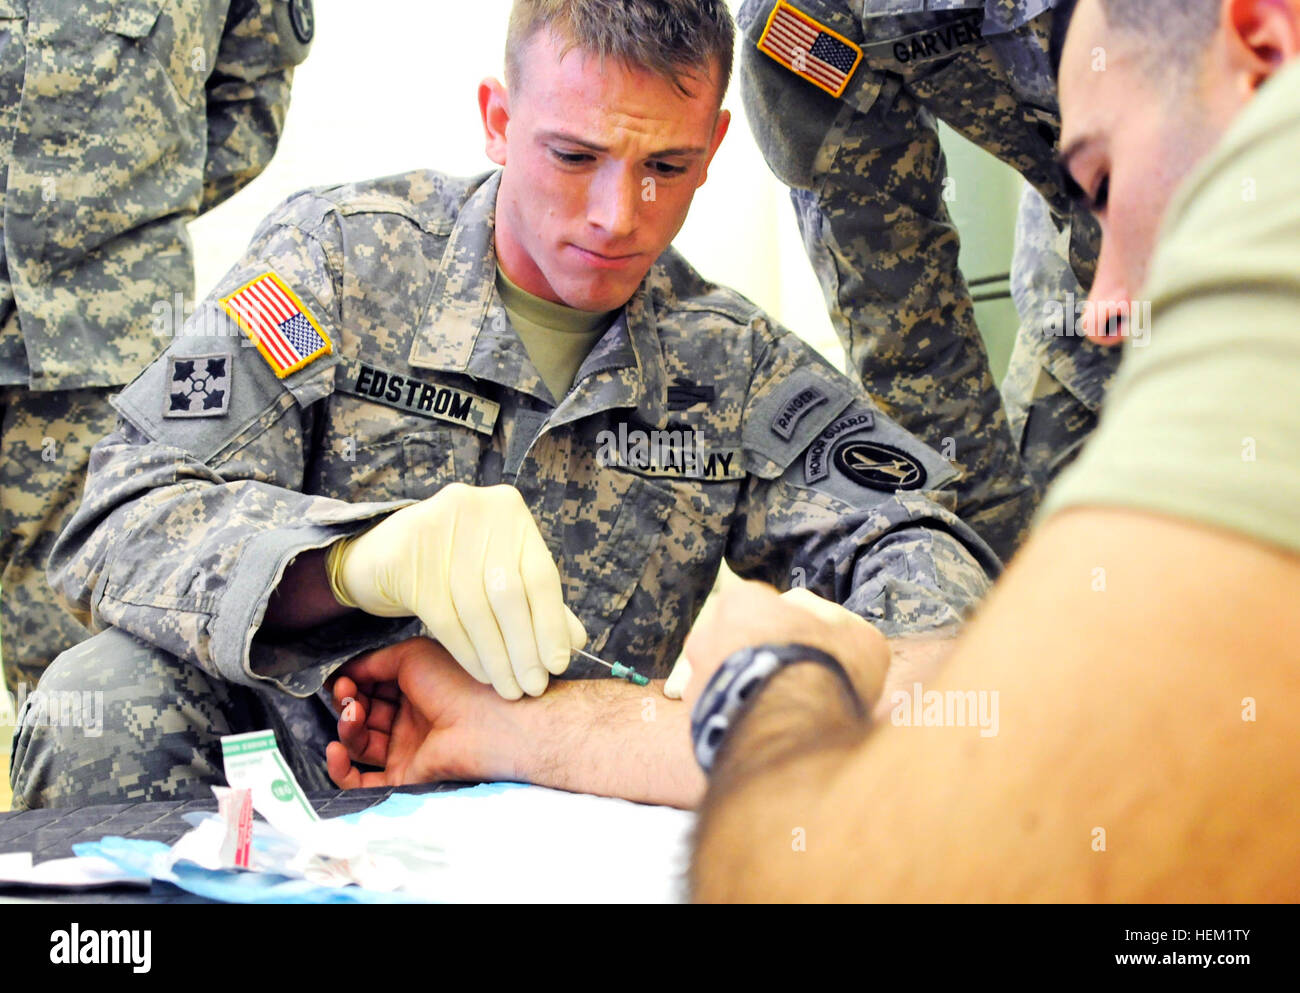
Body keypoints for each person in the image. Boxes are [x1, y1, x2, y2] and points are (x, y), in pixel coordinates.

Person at [10, 0, 999, 811]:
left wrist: (836, 656)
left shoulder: (731, 361)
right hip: (307, 799)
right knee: (103, 694)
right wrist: (350, 560)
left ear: (713, 146)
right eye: (574, 156)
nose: (617, 215)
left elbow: (921, 543)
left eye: (664, 167)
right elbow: (122, 509)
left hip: (568, 803)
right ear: (498, 119)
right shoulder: (339, 265)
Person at [683, 0, 1300, 901]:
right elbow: (910, 345)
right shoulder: (811, 18)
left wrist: (768, 686)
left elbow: (853, 888)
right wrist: (987, 670)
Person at [735, 0, 1126, 563]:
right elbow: (906, 339)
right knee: (1037, 552)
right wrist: (981, 572)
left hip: (1243, 236)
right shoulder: (816, 14)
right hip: (1081, 294)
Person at [0, 0, 313, 695]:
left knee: (82, 674)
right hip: (95, 322)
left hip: (98, 333)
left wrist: (123, 217)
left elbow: (250, 96)